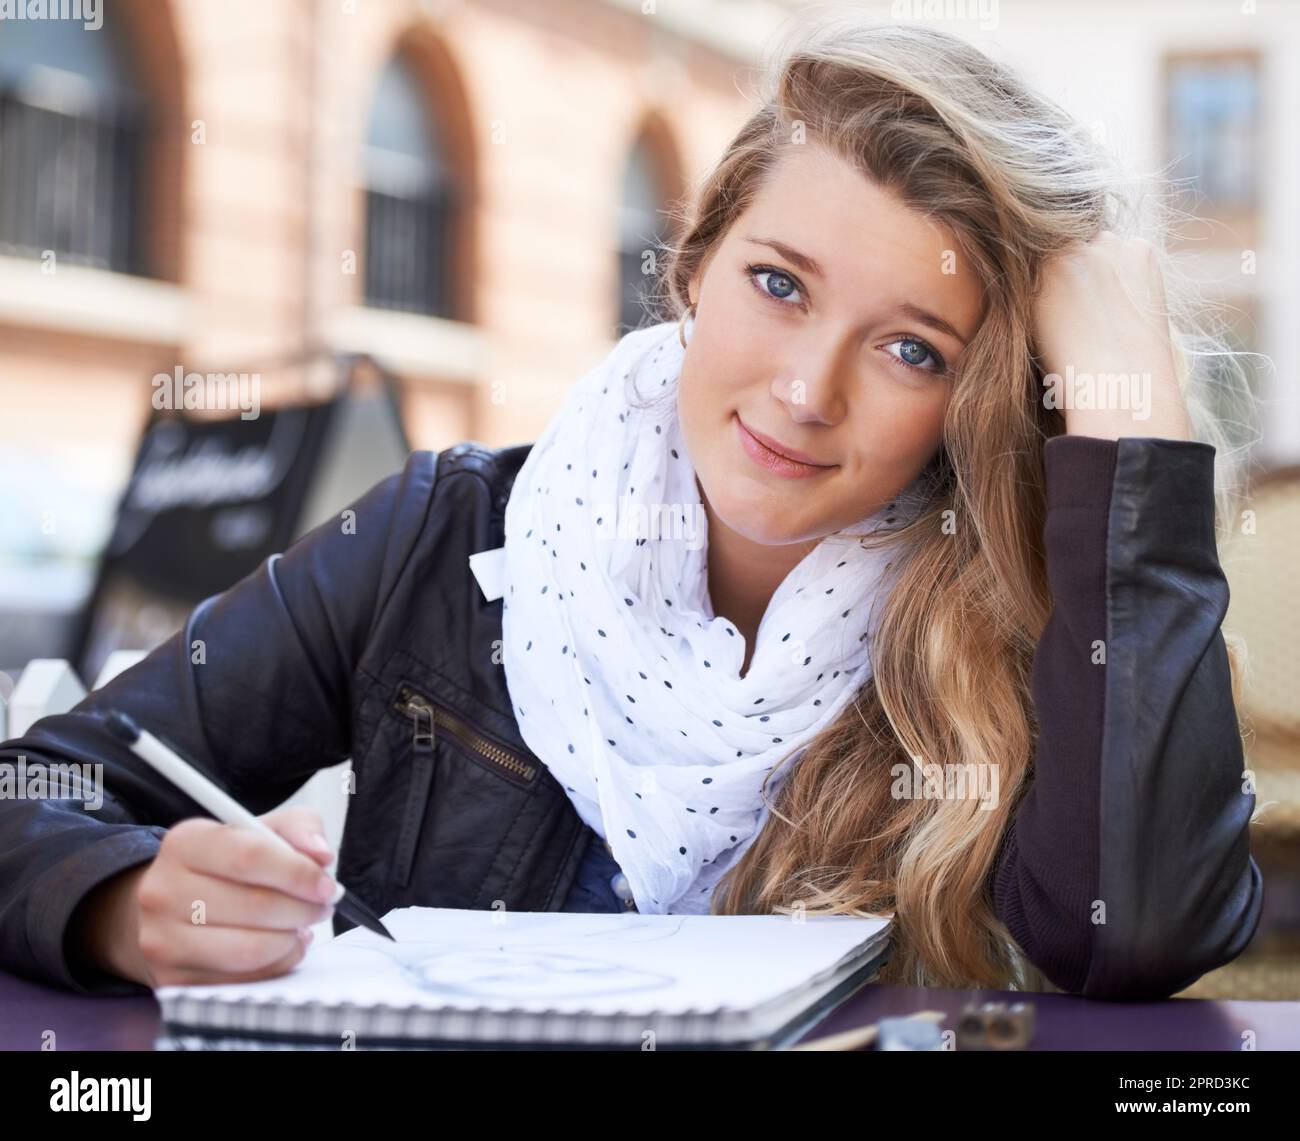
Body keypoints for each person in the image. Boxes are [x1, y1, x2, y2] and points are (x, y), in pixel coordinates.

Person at [0, 15, 1262, 1001]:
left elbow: (1140, 938)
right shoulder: (447, 536)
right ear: (697, 266)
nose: (804, 390)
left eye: (911, 350)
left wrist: (1130, 419)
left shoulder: (1012, 628)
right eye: (778, 284)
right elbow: (39, 786)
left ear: (977, 399)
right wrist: (117, 903)